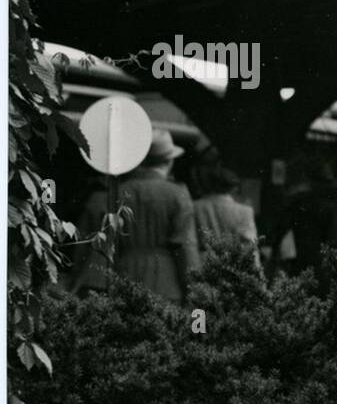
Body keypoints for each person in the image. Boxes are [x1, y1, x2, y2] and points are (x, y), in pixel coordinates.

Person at [72, 128, 201, 303]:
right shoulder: (178, 195)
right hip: (166, 284)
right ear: (169, 161)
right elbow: (186, 248)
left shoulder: (113, 193)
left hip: (122, 278)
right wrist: (196, 292)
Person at [193, 166, 258, 258]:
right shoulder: (244, 211)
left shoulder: (195, 207)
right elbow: (249, 246)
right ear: (234, 188)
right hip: (232, 264)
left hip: (202, 262)